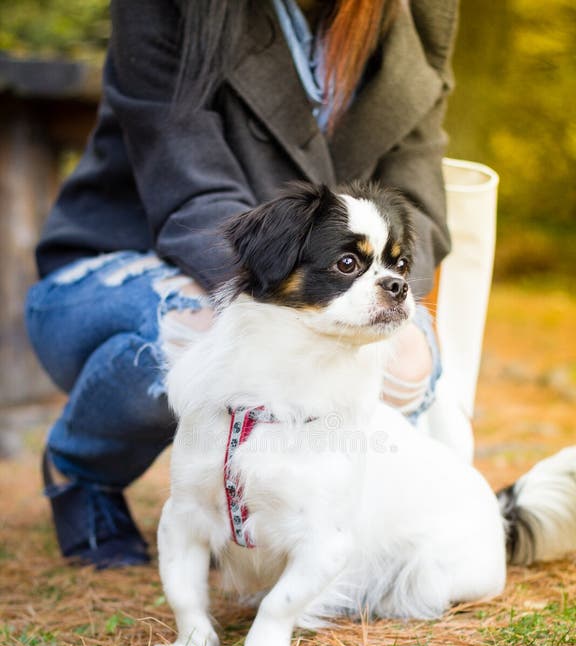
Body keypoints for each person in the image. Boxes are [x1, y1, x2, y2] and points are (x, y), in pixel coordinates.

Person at [26, 0, 458, 568]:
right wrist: (281, 303)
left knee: (409, 366)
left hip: (330, 277)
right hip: (131, 256)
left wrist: (374, 300)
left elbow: (418, 199)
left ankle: (294, 523)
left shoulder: (415, 13)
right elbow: (192, 193)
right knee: (199, 337)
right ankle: (81, 467)